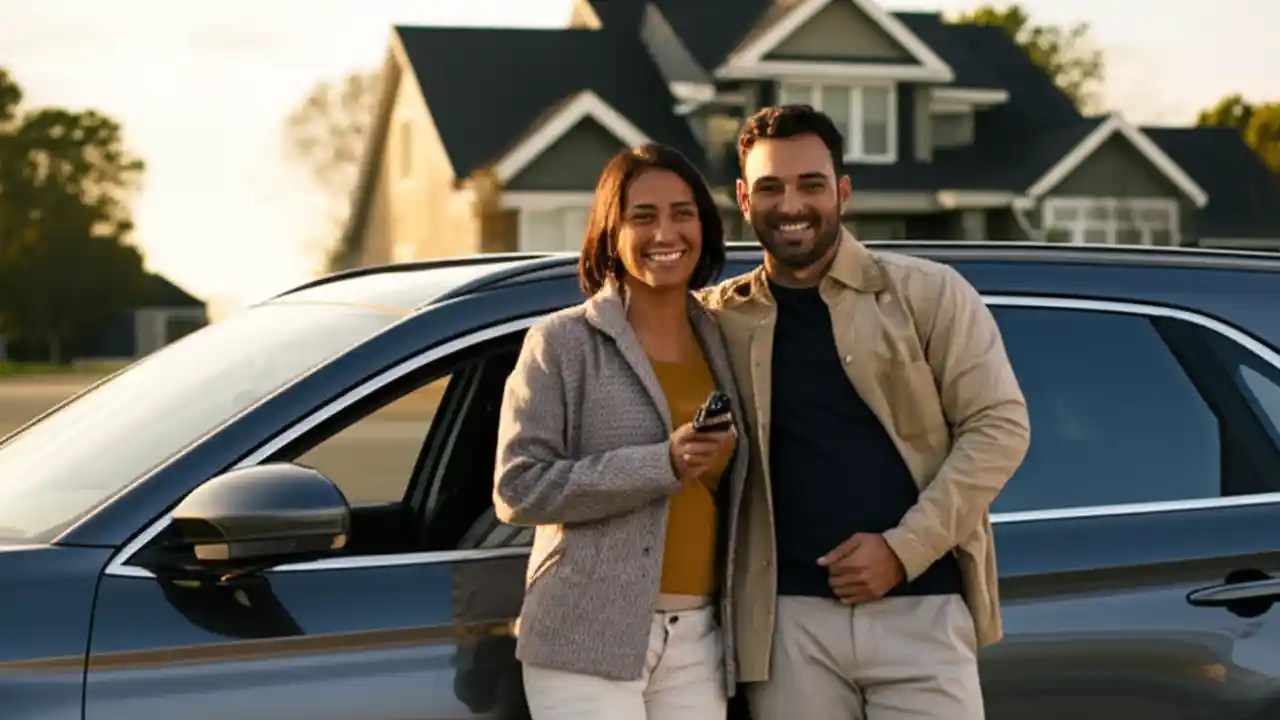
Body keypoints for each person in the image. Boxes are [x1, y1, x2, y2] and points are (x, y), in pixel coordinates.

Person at [699, 104, 1031, 719]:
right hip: (785, 630)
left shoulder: (929, 294)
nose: (791, 204)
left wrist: (903, 550)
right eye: (770, 187)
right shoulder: (716, 318)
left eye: (811, 184)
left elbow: (1000, 428)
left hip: (922, 611)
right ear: (743, 199)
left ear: (843, 192)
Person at [493, 142, 749, 719]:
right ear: (612, 231)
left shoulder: (724, 336)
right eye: (643, 216)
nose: (667, 232)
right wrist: (662, 464)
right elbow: (517, 488)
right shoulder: (561, 343)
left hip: (700, 637)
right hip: (586, 640)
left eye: (683, 213)